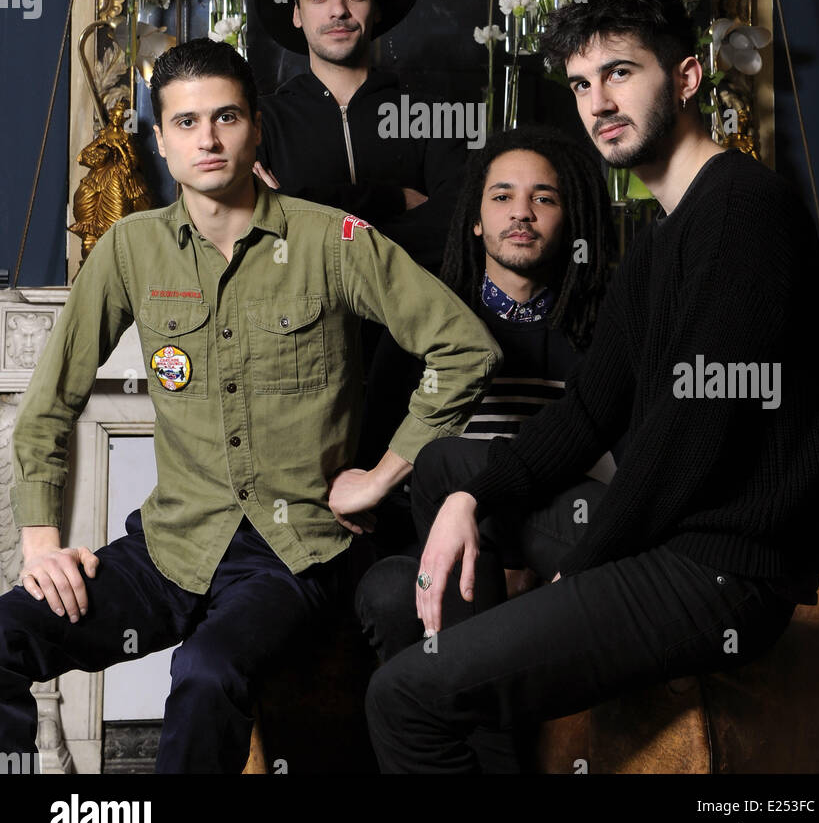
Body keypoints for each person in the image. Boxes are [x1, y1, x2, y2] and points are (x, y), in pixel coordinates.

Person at [363, 0, 819, 774]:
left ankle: (463, 686)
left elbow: (691, 436)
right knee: (450, 464)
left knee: (403, 697)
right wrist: (467, 499)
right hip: (667, 541)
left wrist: (578, 571)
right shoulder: (656, 236)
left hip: (717, 573)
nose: (597, 102)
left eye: (620, 72)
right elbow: (586, 412)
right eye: (582, 84)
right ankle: (489, 718)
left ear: (685, 78)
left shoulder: (741, 212)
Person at [0, 39, 501, 775]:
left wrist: (382, 474)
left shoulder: (334, 240)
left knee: (206, 674)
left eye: (226, 117)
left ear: (256, 127)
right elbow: (50, 403)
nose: (207, 139)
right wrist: (41, 541)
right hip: (171, 546)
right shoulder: (131, 250)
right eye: (187, 122)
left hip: (290, 555)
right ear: (161, 140)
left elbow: (466, 348)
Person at [355, 125, 616, 669]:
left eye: (543, 198)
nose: (521, 213)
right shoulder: (424, 334)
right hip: (443, 539)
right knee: (386, 589)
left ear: (568, 220)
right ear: (476, 220)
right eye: (502, 197)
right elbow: (384, 466)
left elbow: (625, 468)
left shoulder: (603, 332)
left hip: (553, 536)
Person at [252, 0, 467, 272]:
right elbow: (258, 241)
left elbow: (455, 231)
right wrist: (393, 198)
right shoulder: (261, 121)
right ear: (296, 13)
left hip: (409, 322)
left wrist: (295, 208)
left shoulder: (433, 117)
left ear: (376, 9)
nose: (338, 10)